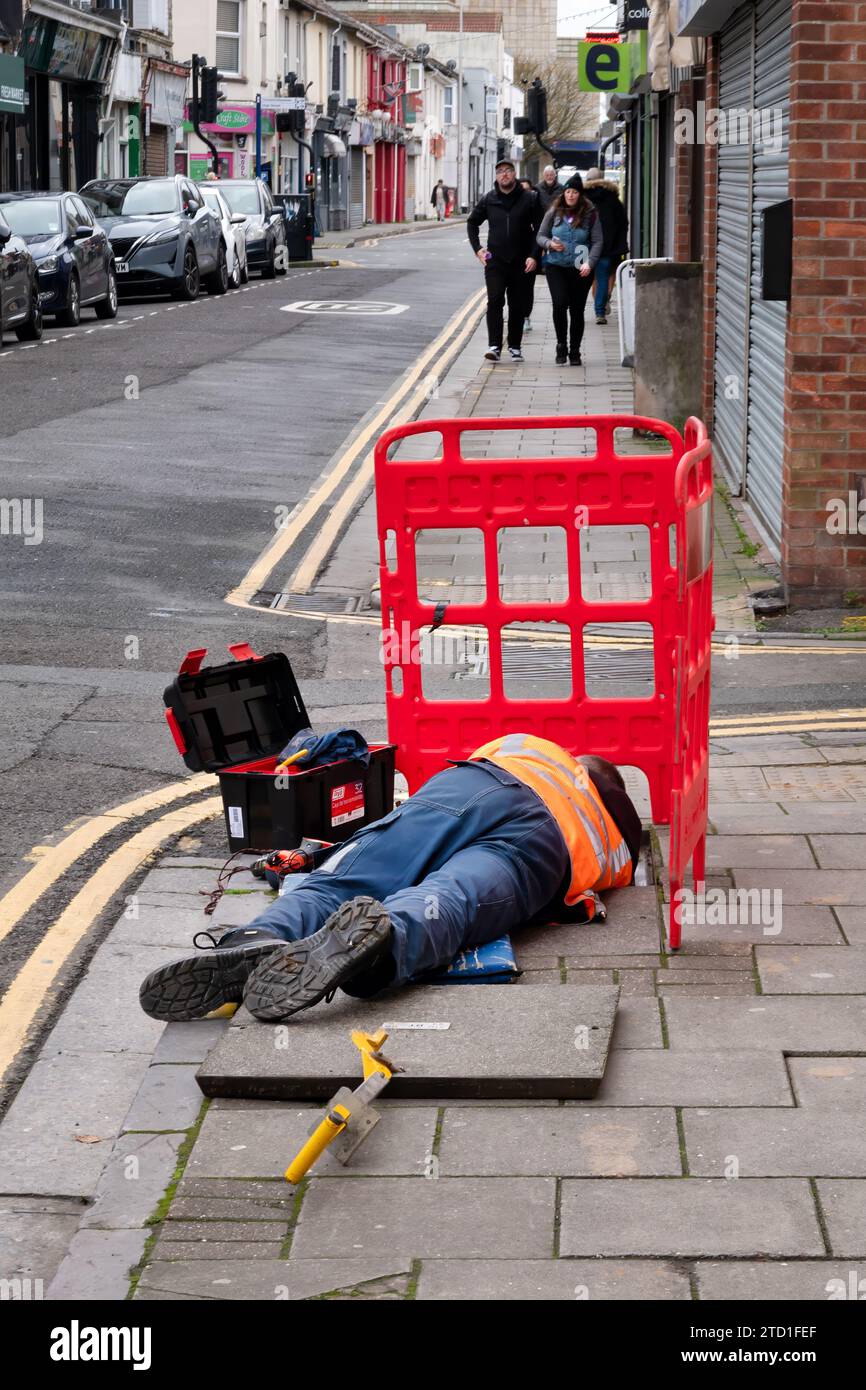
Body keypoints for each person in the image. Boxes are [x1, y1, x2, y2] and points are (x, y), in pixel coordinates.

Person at [139, 738, 641, 1024]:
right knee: (448, 899)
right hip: (543, 847)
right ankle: (379, 947)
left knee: (348, 876)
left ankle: (261, 936)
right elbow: (580, 900)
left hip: (475, 786)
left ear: (581, 765)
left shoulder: (532, 749)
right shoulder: (615, 842)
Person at [467, 159, 539, 363]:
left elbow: (540, 228)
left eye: (508, 170)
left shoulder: (529, 198)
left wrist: (534, 255)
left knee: (517, 305)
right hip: (496, 261)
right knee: (495, 300)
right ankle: (495, 347)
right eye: (500, 171)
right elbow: (472, 222)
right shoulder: (489, 199)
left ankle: (515, 346)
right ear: (496, 176)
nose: (504, 174)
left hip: (521, 260)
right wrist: (478, 249)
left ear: (514, 174)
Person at [536, 174, 603, 367]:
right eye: (568, 191)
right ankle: (561, 345)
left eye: (574, 192)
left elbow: (598, 241)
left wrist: (590, 263)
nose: (571, 195)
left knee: (576, 310)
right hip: (556, 266)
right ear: (563, 193)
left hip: (580, 269)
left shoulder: (590, 213)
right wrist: (549, 244)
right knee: (559, 304)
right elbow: (540, 235)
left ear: (580, 194)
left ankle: (575, 350)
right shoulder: (554, 211)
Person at [583, 167, 629, 325]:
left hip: (584, 247)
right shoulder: (613, 199)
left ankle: (578, 307)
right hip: (608, 248)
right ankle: (600, 312)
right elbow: (623, 223)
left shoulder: (582, 198)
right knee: (602, 278)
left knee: (582, 278)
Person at [519, 178, 540, 333]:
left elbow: (541, 232)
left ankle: (526, 316)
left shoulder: (535, 205)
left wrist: (536, 253)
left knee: (527, 288)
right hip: (513, 256)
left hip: (530, 255)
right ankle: (517, 316)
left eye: (527, 189)